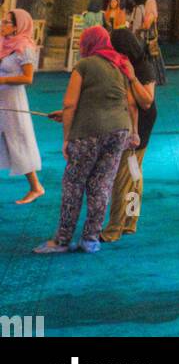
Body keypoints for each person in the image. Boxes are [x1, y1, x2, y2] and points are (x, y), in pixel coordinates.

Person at [35, 26, 138, 254]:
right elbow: (115, 101)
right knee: (102, 185)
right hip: (119, 130)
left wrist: (67, 138)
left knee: (74, 184)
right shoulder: (118, 65)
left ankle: (62, 240)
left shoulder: (84, 65)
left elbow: (71, 103)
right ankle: (91, 239)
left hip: (89, 132)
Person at [101, 28, 156, 241]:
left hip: (139, 124)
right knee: (134, 174)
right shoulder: (120, 63)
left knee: (123, 176)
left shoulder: (142, 67)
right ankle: (130, 221)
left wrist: (132, 79)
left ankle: (114, 228)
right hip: (130, 120)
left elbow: (146, 100)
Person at [0, 9, 44, 204]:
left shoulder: (24, 47)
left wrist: (2, 79)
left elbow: (28, 78)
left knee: (17, 139)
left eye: (6, 22)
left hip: (12, 99)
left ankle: (35, 186)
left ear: (17, 27)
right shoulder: (3, 44)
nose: (2, 25)